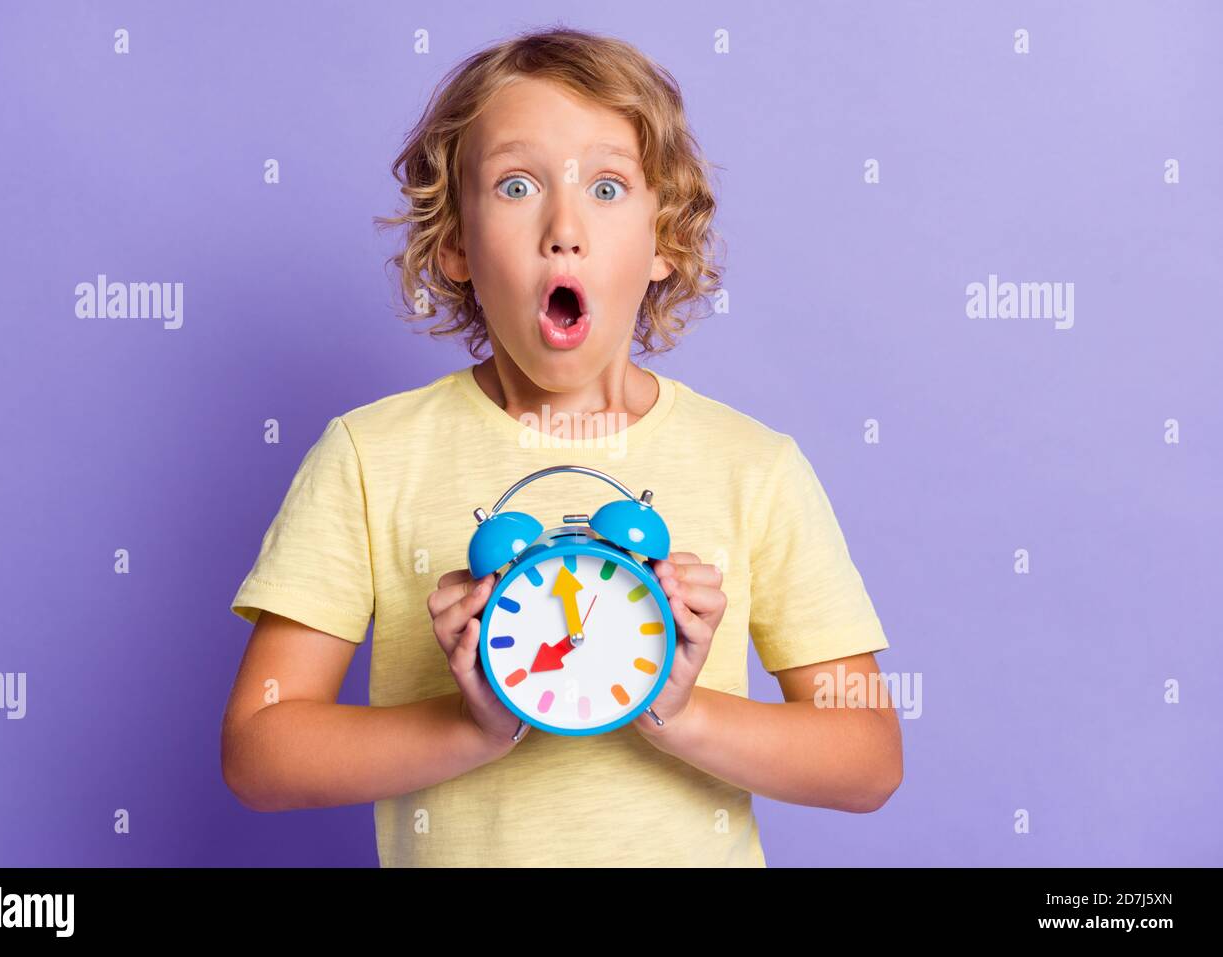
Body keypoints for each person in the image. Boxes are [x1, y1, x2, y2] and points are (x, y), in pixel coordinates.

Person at [221, 26, 901, 867]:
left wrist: (677, 709)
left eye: (608, 187)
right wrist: (472, 725)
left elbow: (867, 757)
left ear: (665, 242)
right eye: (516, 184)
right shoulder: (371, 456)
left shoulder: (754, 467)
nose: (564, 228)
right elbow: (259, 749)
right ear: (456, 244)